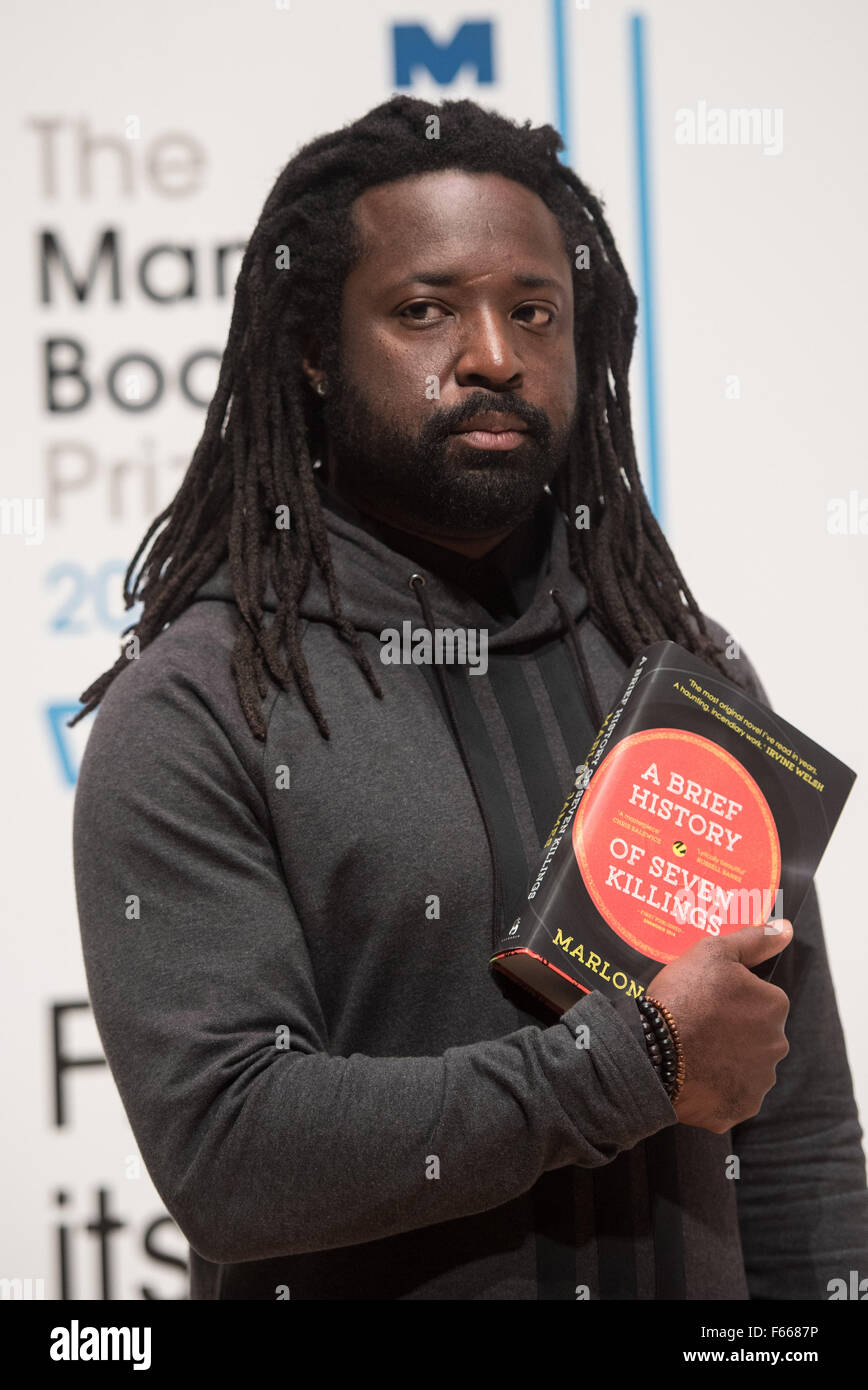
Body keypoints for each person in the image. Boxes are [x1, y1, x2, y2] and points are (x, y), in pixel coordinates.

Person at [70, 95, 868, 1300]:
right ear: (314, 349)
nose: (493, 353)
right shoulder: (202, 704)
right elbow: (231, 1152)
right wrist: (638, 1060)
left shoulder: (684, 672)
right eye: (424, 309)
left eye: (533, 311)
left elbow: (795, 1137)